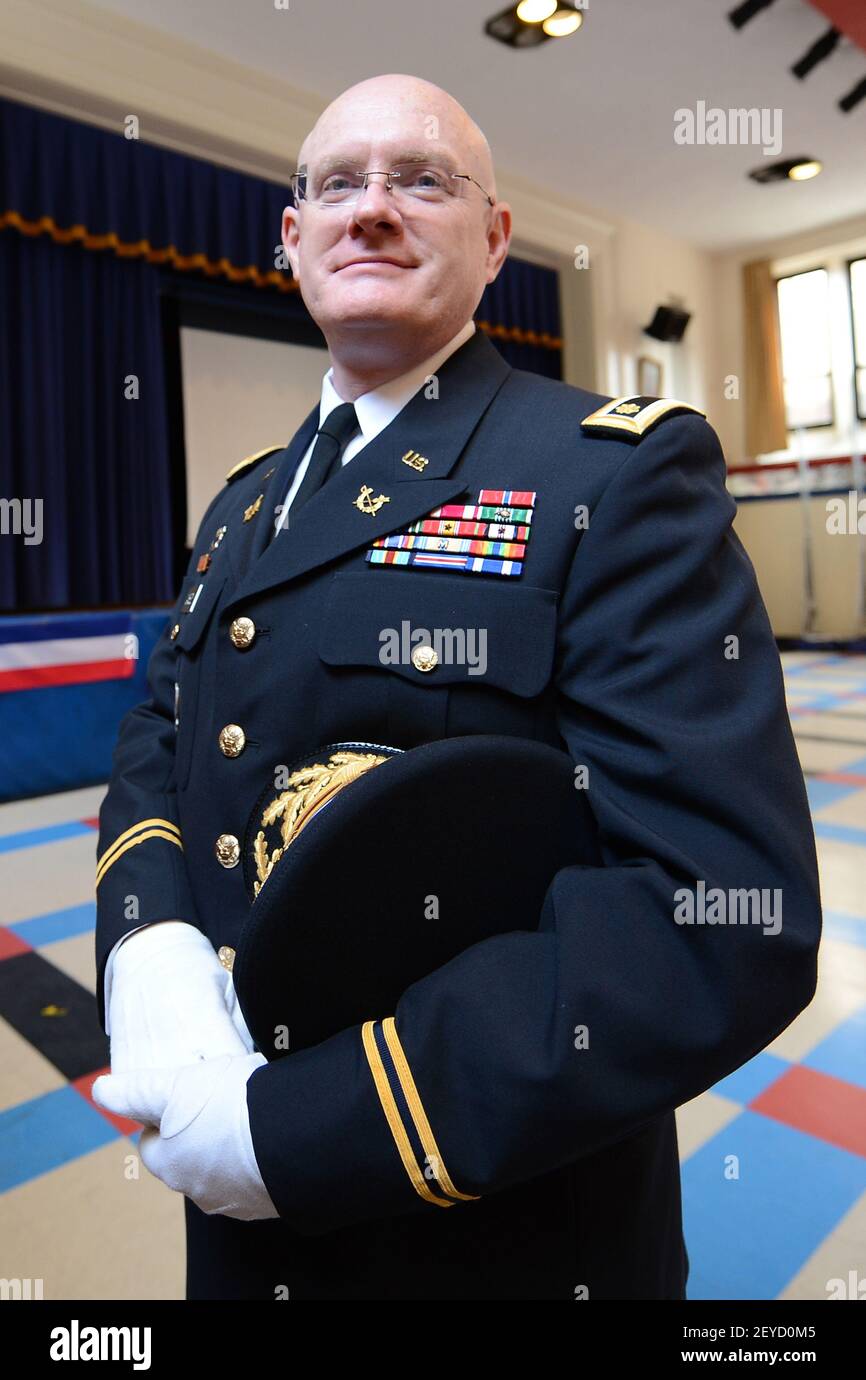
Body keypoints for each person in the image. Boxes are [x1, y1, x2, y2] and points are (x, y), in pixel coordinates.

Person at [92, 73, 821, 1301]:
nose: (369, 209)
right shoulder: (243, 503)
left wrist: (297, 1130)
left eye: (420, 179)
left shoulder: (609, 478)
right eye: (335, 183)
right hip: (228, 1215)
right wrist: (148, 942)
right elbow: (163, 728)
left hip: (495, 1233)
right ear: (293, 238)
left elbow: (721, 910)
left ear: (493, 244)